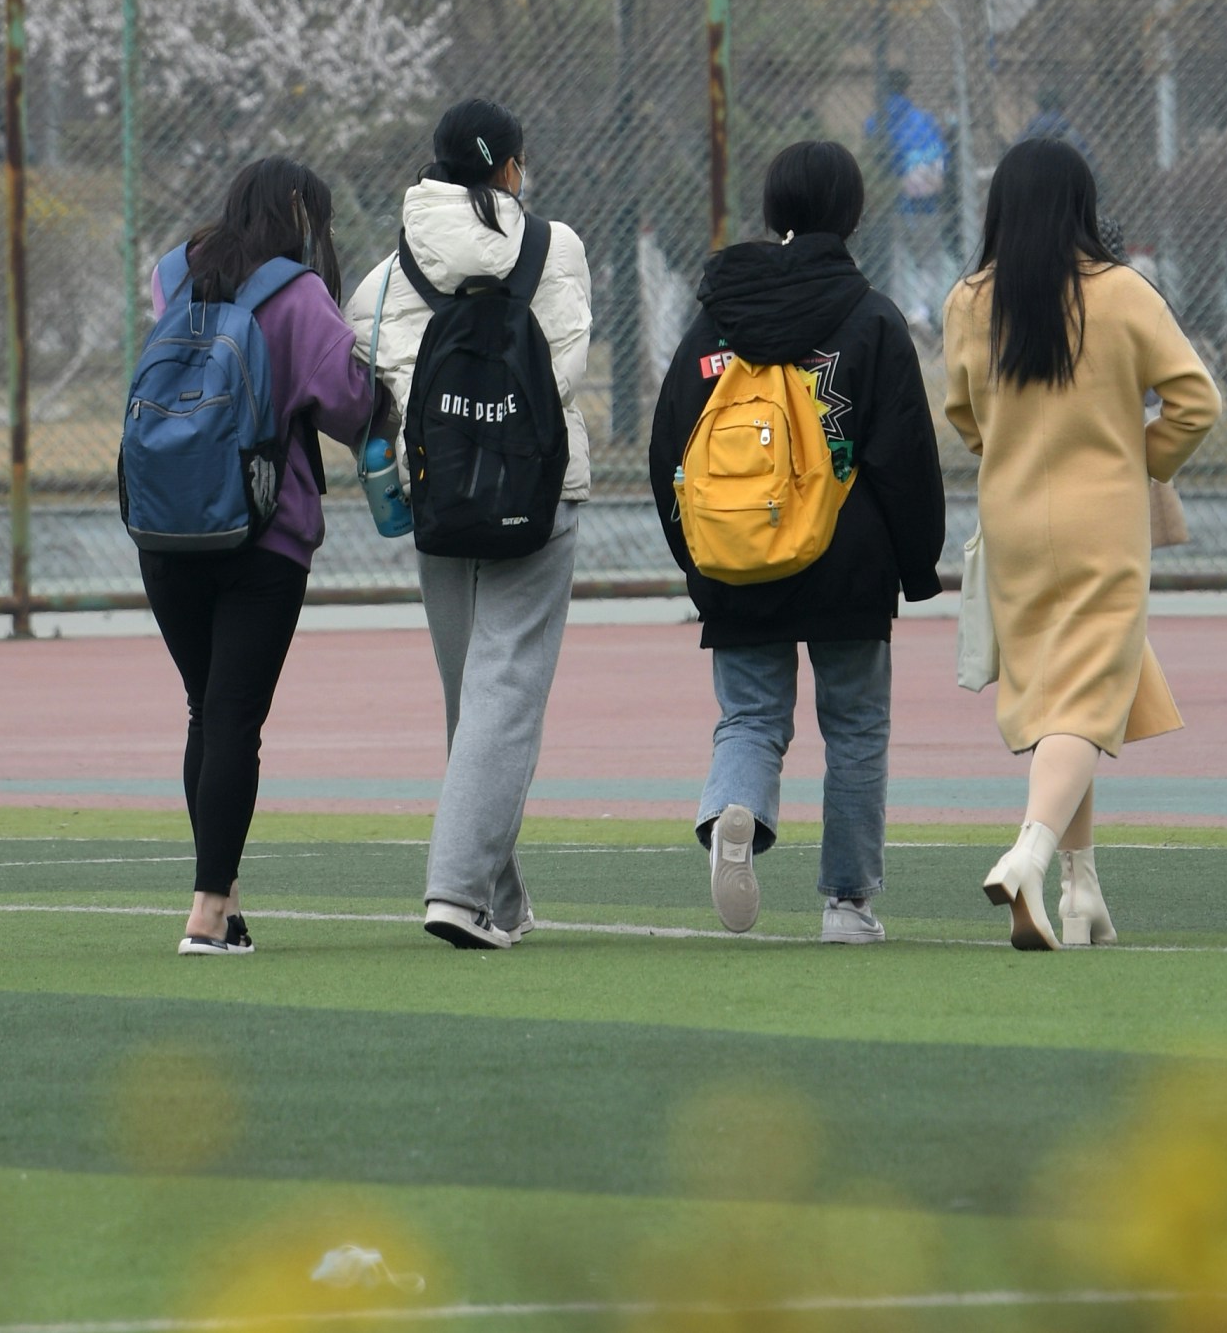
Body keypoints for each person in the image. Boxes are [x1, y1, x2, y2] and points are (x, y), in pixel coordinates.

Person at [649, 137, 947, 943]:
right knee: (853, 727)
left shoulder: (718, 315)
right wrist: (917, 567)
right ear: (850, 214)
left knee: (749, 717)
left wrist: (696, 556)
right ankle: (846, 904)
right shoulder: (872, 317)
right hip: (849, 560)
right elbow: (904, 458)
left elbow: (670, 440)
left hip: (736, 552)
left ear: (773, 209)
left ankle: (733, 809)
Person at [944, 135, 1218, 953]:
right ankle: (1029, 854)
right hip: (1103, 522)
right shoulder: (1122, 292)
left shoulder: (969, 299)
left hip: (1014, 520)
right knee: (1088, 697)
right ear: (1082, 206)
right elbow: (1194, 402)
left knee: (1062, 695)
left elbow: (962, 413)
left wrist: (1008, 449)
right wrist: (1142, 456)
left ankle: (1079, 889)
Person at [350, 97, 591, 952]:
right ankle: (456, 890)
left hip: (438, 500)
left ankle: (502, 895)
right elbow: (566, 368)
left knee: (472, 697)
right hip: (538, 495)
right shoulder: (555, 248)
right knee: (507, 691)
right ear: (509, 168)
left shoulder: (382, 280)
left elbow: (372, 380)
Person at [138, 156, 376, 958]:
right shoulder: (299, 296)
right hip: (262, 534)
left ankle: (225, 901)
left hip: (166, 530)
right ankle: (206, 912)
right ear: (303, 215)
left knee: (207, 710)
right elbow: (349, 408)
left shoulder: (171, 274)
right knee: (237, 717)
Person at [866, 67, 951, 334]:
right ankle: (920, 309)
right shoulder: (923, 120)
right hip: (925, 202)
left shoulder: (876, 121)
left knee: (896, 257)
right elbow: (942, 156)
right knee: (929, 258)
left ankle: (900, 312)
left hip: (888, 201)